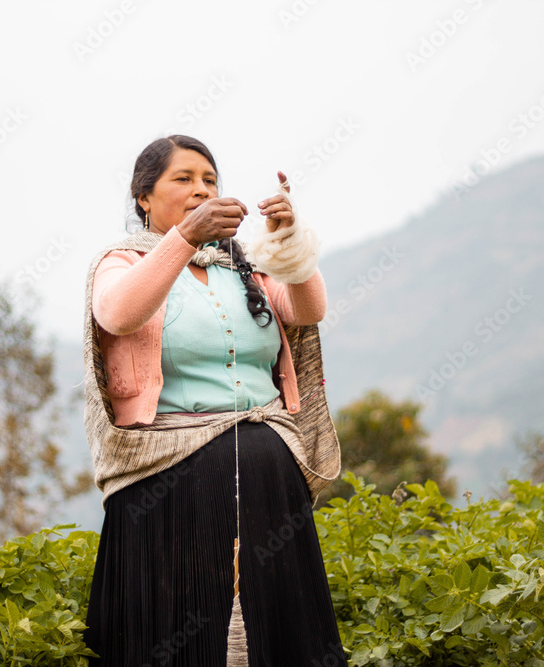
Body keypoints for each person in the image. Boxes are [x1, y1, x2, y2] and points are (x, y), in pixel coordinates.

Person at [81, 134, 346, 666]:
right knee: (177, 633)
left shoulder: (241, 266)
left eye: (209, 180)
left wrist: (289, 242)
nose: (201, 189)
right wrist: (182, 240)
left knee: (277, 636)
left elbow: (308, 309)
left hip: (268, 483)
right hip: (168, 487)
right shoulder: (120, 262)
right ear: (144, 198)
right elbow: (117, 315)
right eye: (183, 179)